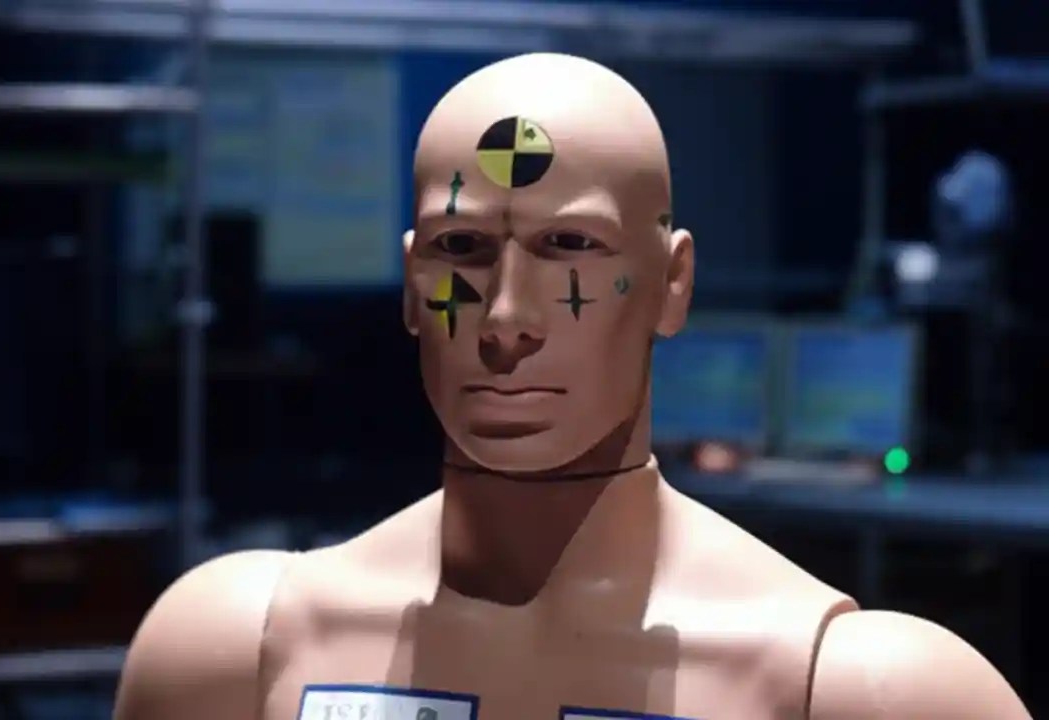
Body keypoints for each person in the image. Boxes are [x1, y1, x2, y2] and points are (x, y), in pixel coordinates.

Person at [113, 53, 1030, 720]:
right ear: (408, 284)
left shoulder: (857, 692)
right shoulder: (232, 653)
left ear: (673, 285)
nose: (507, 316)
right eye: (462, 249)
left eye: (570, 248)